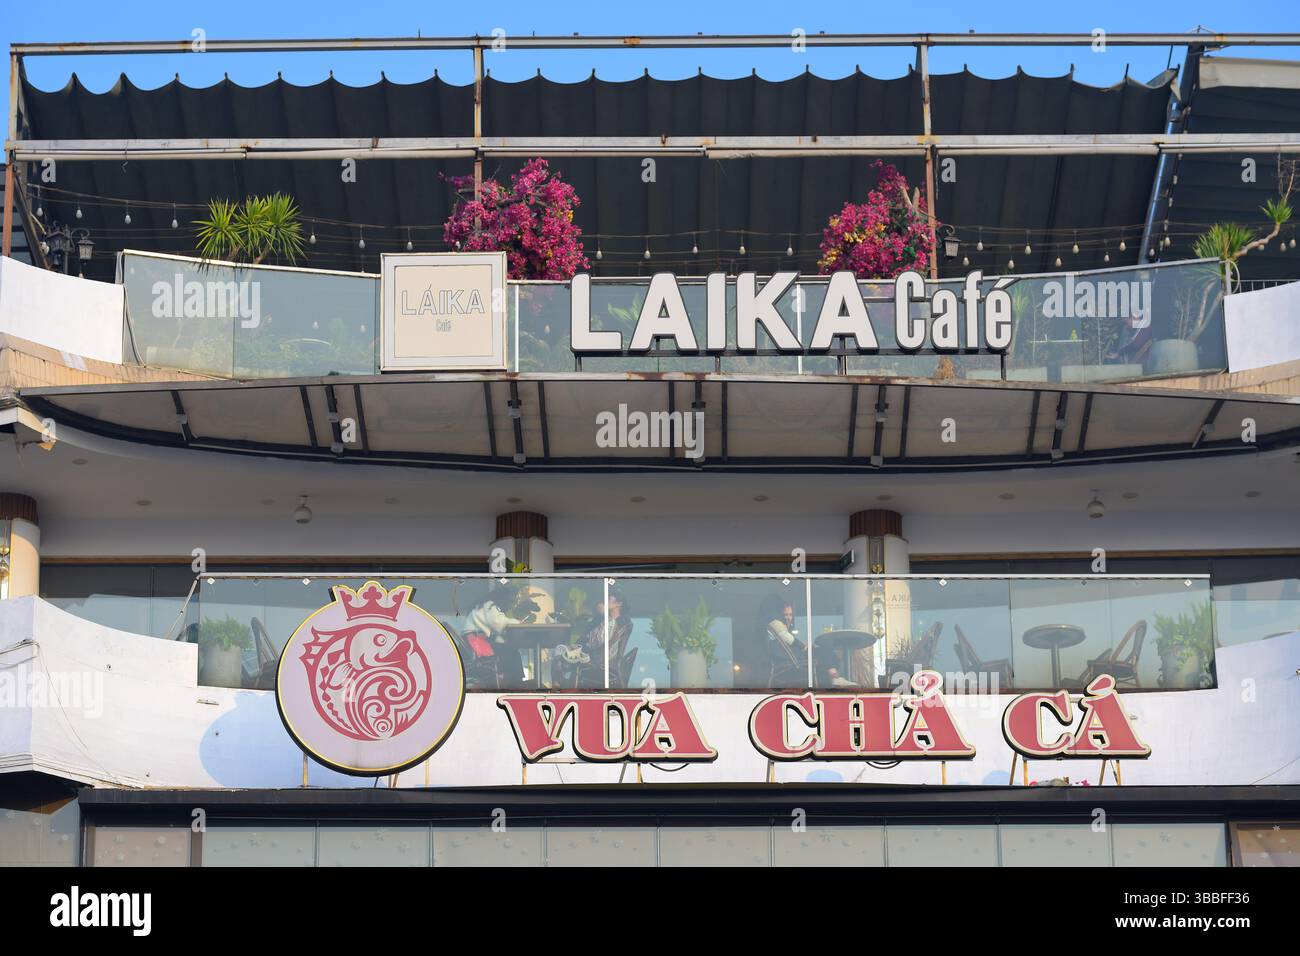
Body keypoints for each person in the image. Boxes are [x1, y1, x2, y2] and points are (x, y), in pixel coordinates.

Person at [762, 596, 851, 687]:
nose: (789, 618)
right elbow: (790, 640)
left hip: (791, 656)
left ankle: (832, 678)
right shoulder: (775, 623)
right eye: (785, 614)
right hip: (790, 658)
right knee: (824, 649)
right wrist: (803, 646)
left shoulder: (777, 625)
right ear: (779, 613)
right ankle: (834, 677)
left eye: (790, 615)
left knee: (823, 655)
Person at [554, 589, 632, 689]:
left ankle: (559, 685)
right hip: (589, 652)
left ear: (619, 603)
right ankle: (556, 685)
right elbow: (584, 639)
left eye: (608, 599)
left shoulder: (621, 623)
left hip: (599, 657)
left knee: (562, 654)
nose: (604, 602)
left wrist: (604, 615)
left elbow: (606, 642)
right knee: (560, 650)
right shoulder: (599, 621)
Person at [462, 587, 526, 686]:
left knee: (509, 652)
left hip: (475, 642)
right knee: (513, 653)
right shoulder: (490, 605)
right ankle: (517, 683)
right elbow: (499, 623)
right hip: (477, 643)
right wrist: (518, 622)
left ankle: (511, 682)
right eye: (509, 601)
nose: (509, 605)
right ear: (504, 598)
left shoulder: (484, 605)